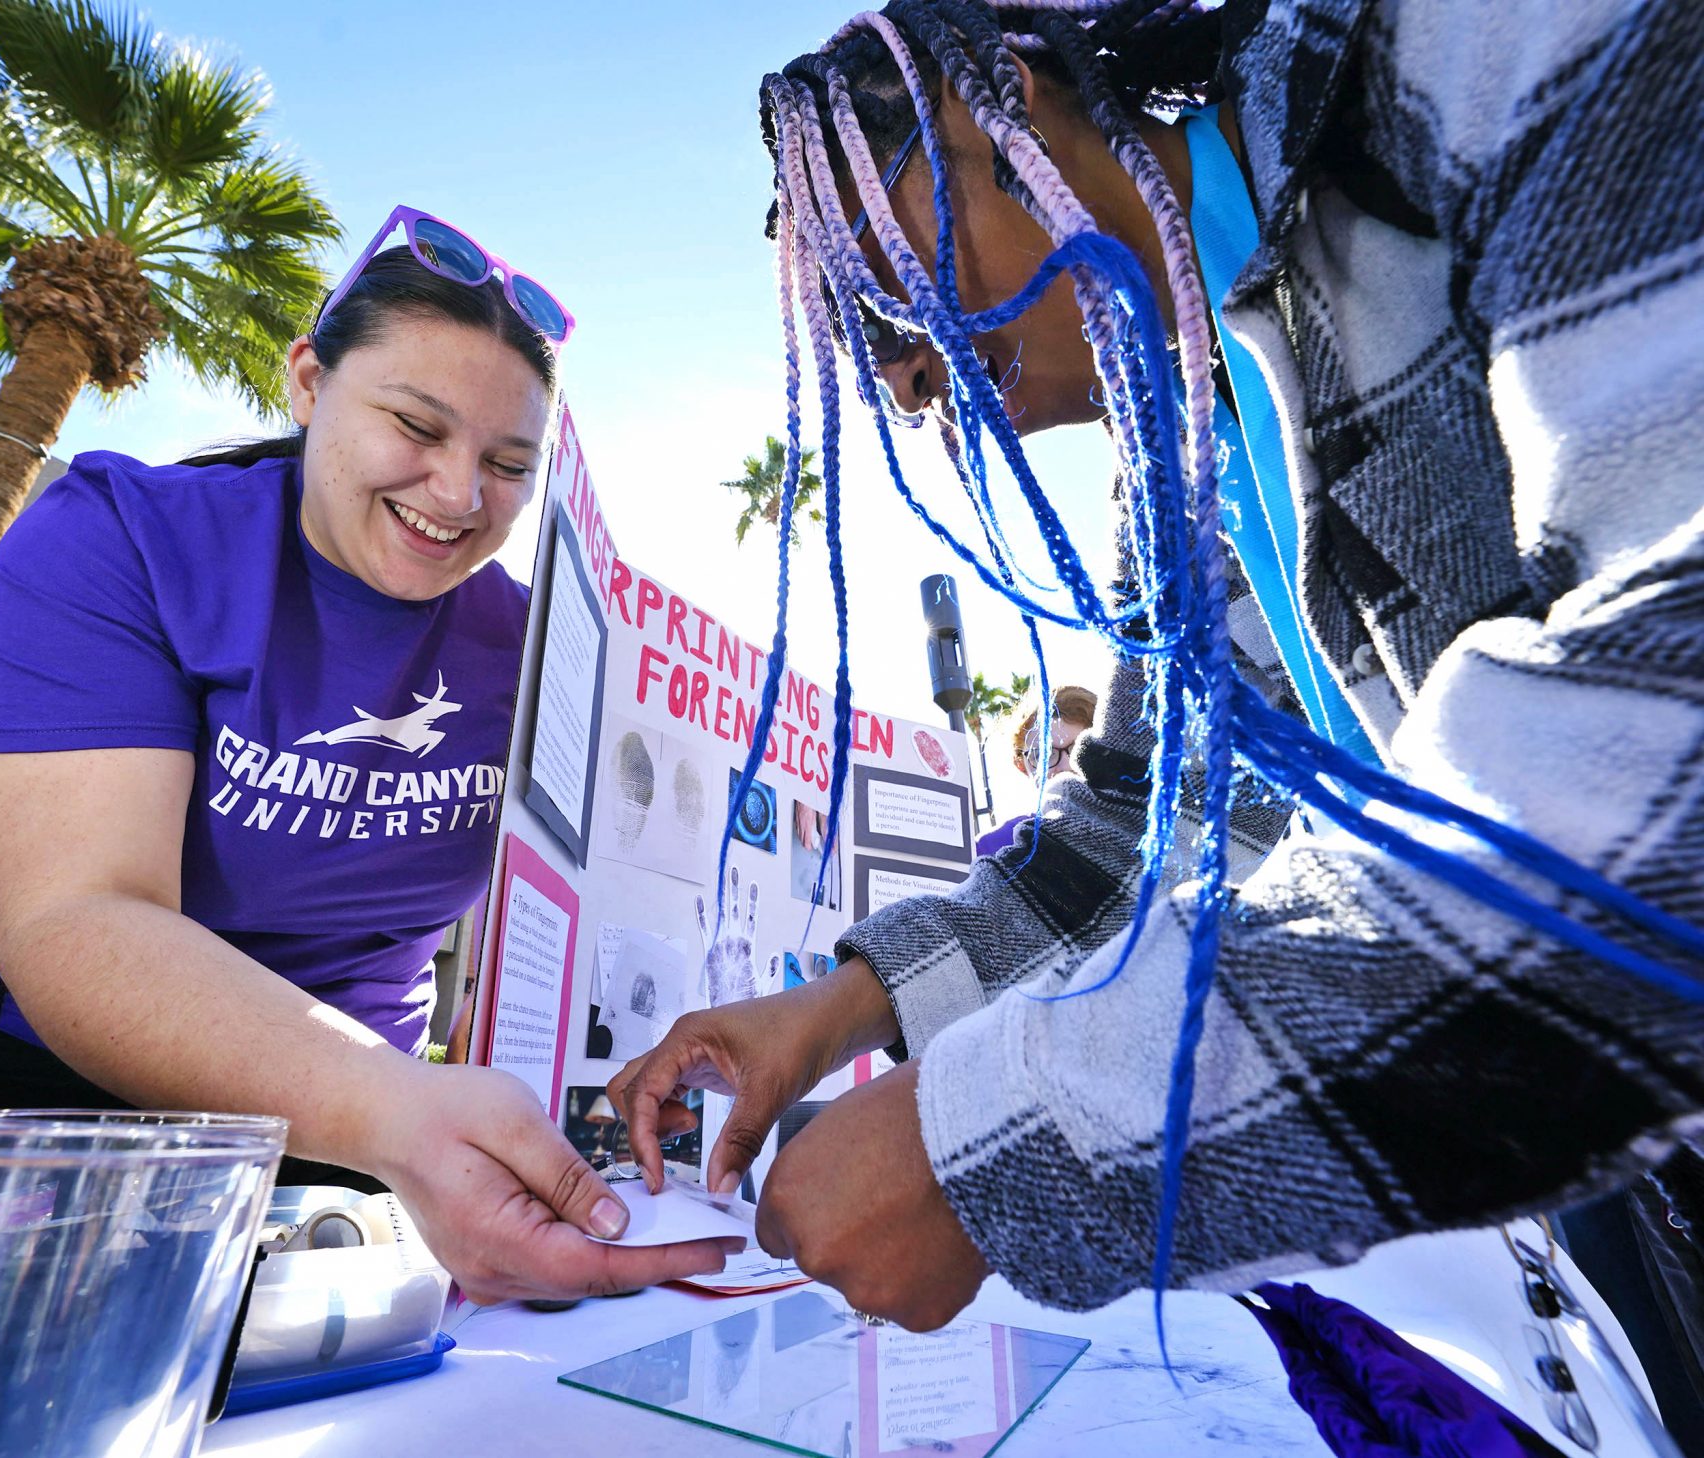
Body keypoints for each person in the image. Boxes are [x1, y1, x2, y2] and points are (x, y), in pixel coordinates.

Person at [614, 0, 1704, 1355]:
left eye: (891, 285)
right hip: (1610, 1152)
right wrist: (835, 1012)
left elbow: (1667, 755)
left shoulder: (1489, 46)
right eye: (867, 356)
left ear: (986, 105)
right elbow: (1141, 823)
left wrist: (998, 1141)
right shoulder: (1180, 453)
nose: (907, 382)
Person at [0, 207, 735, 1304]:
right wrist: (397, 1113)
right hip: (27, 1096)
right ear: (309, 384)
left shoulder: (539, 649)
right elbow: (75, 921)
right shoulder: (125, 538)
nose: (458, 496)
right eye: (415, 425)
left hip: (345, 1147)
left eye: (508, 464)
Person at [973, 681, 1095, 856]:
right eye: (1043, 755)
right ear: (1021, 765)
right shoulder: (990, 849)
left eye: (1080, 749)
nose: (1067, 766)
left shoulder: (1143, 834)